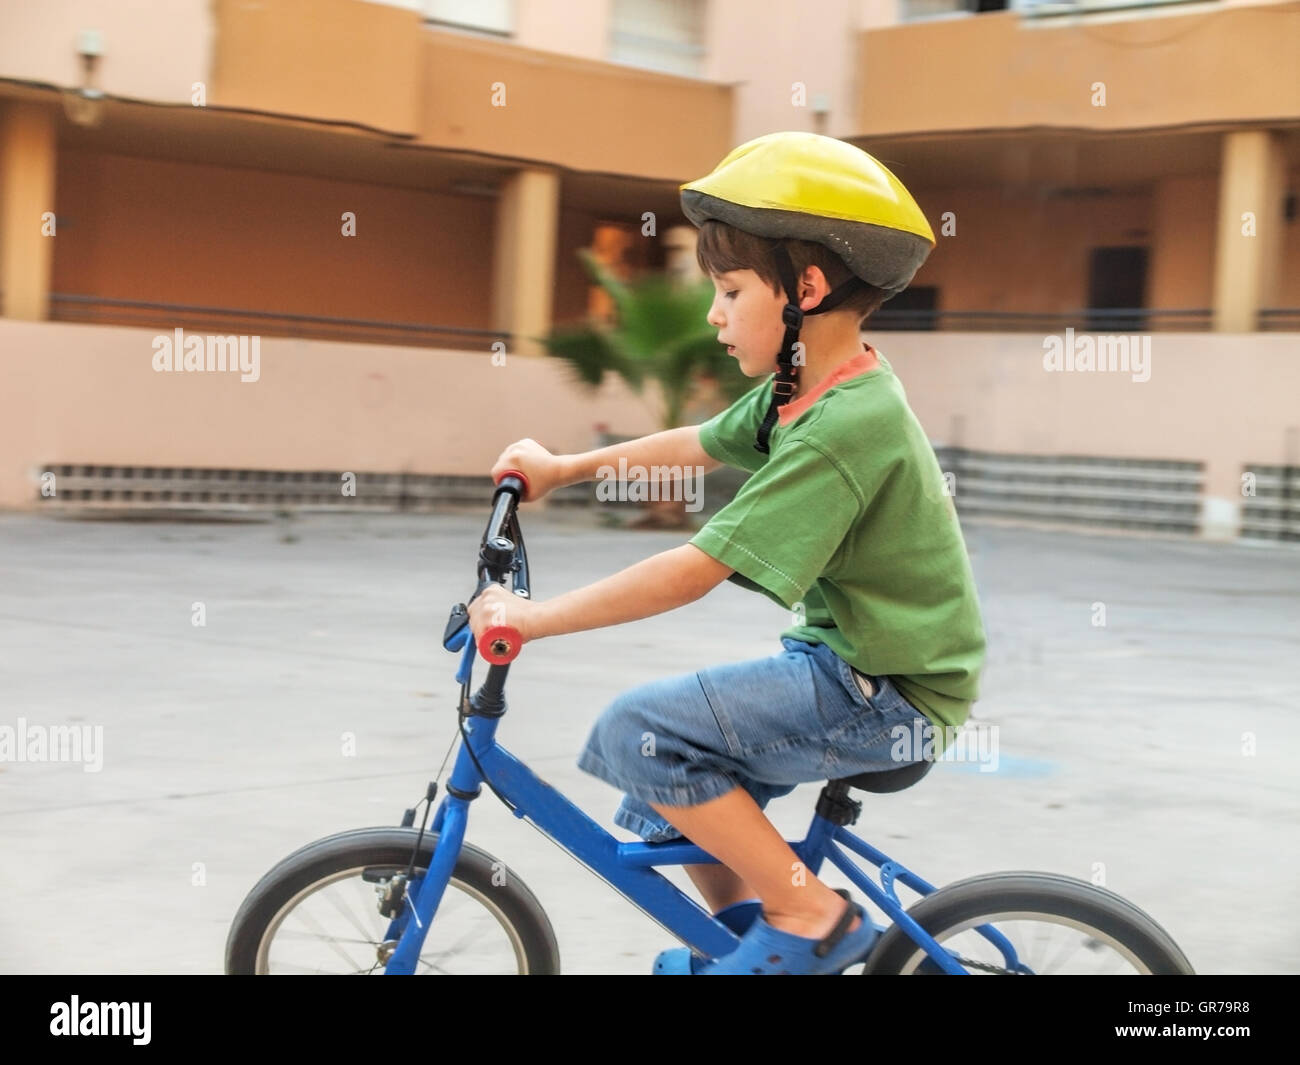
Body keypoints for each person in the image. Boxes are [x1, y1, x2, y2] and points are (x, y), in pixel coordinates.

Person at [468, 131, 986, 975]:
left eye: (730, 289)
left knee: (640, 731)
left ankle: (808, 916)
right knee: (666, 793)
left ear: (806, 289)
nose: (713, 313)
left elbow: (694, 569)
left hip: (889, 695)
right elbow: (696, 444)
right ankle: (760, 934)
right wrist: (564, 469)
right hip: (851, 667)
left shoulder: (843, 426)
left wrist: (533, 619)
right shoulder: (801, 390)